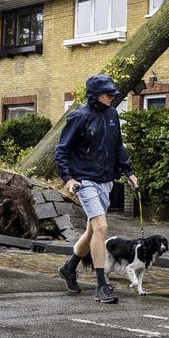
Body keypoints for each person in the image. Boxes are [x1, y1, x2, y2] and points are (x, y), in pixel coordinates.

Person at [55, 74, 139, 303]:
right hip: (85, 180)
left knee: (93, 231)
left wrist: (129, 171)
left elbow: (117, 146)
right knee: (102, 227)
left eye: (113, 93)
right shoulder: (80, 116)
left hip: (105, 180)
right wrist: (69, 178)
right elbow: (61, 150)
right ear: (95, 95)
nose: (112, 97)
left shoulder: (112, 115)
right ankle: (102, 286)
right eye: (107, 93)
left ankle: (69, 268)